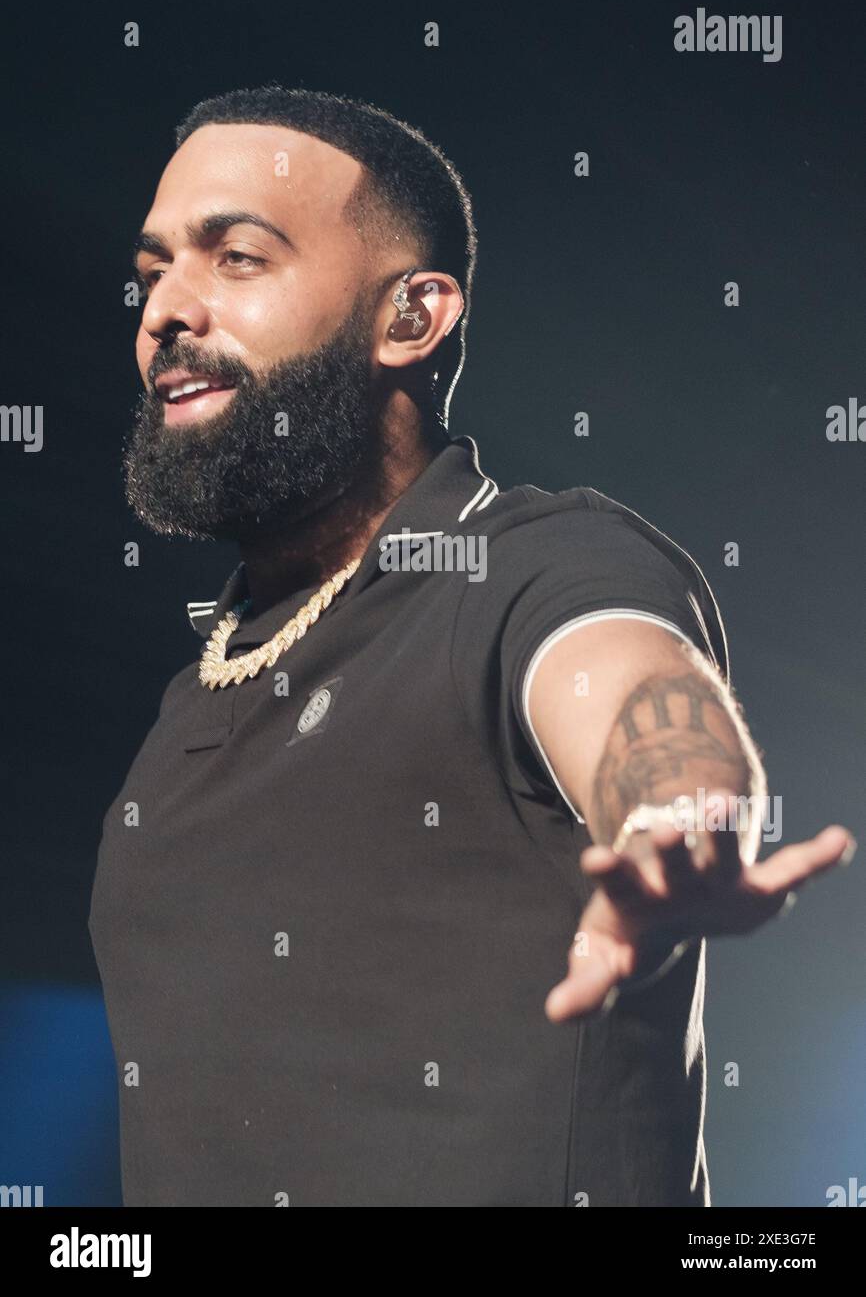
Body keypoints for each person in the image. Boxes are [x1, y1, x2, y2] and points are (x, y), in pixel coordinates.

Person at [89, 85, 854, 1207]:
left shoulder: (532, 565)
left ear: (412, 315)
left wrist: (672, 819)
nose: (165, 308)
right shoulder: (189, 700)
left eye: (235, 258)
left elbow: (630, 692)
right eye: (153, 271)